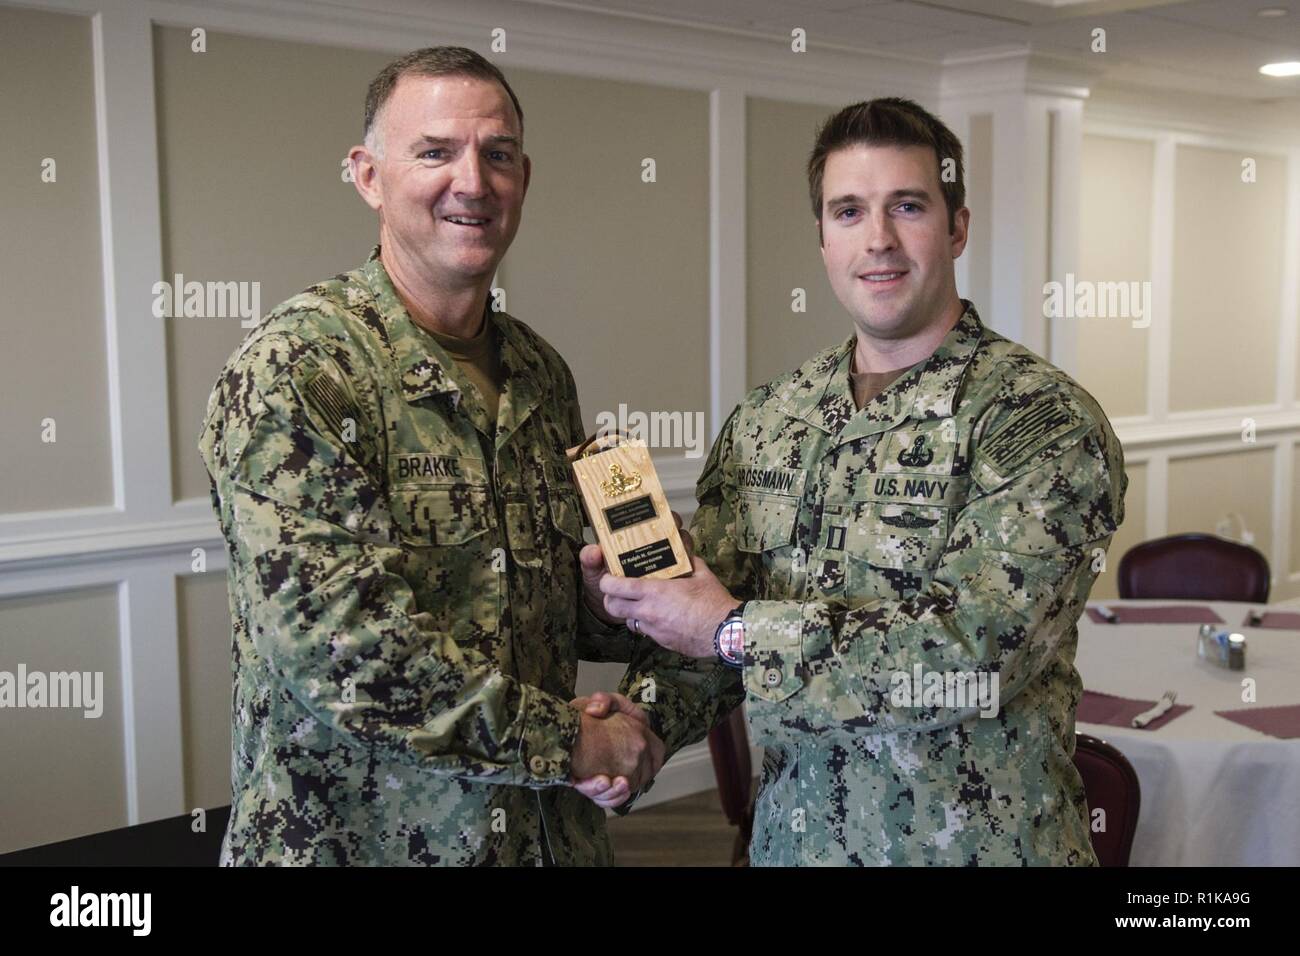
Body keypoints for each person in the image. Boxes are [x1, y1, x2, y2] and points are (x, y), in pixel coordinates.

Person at [599, 97, 1128, 865]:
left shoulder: (1039, 422)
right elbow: (705, 621)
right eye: (848, 211)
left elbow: (972, 657)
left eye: (906, 206)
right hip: (791, 846)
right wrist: (638, 725)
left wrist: (736, 629)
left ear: (956, 227)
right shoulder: (767, 420)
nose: (877, 239)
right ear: (821, 237)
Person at [198, 46, 666, 866]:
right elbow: (345, 652)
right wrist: (577, 744)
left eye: (499, 155)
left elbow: (534, 602)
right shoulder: (299, 371)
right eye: (436, 151)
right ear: (368, 175)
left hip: (542, 839)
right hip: (361, 843)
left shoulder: (540, 372)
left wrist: (608, 597)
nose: (473, 182)